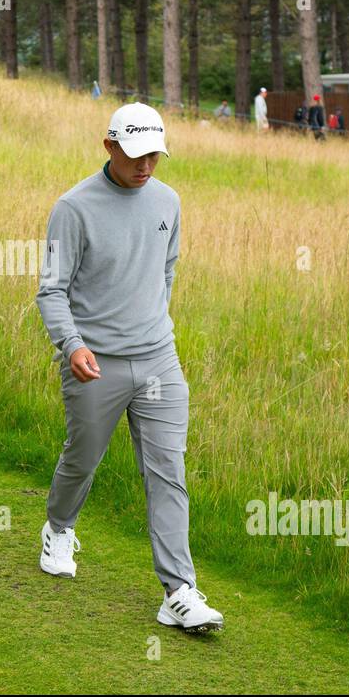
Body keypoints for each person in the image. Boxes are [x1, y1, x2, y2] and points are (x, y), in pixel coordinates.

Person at [35, 101, 223, 632]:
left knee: (169, 474)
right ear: (109, 147)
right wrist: (72, 345)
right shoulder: (72, 208)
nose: (145, 167)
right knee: (83, 459)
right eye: (136, 155)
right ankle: (59, 526)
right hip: (94, 363)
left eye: (155, 156)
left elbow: (166, 271)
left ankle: (179, 591)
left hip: (159, 359)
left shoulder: (168, 200)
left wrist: (150, 329)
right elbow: (50, 291)